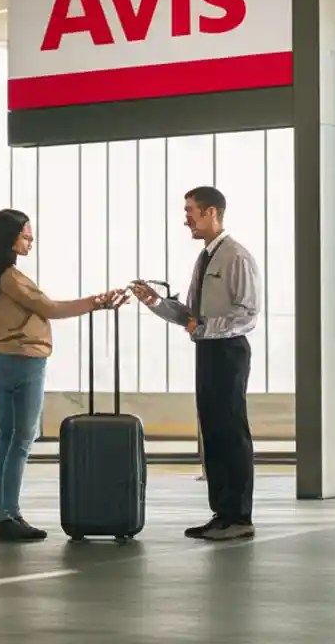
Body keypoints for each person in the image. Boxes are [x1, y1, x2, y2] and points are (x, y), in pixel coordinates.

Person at [0, 208, 128, 542]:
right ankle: (10, 515)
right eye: (26, 235)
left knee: (6, 439)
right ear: (10, 237)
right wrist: (96, 302)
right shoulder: (12, 278)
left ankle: (3, 513)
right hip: (25, 362)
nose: (31, 241)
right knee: (21, 440)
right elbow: (51, 309)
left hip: (4, 360)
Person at [131, 186, 261, 541]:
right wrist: (156, 302)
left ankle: (239, 517)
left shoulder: (236, 257)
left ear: (211, 213)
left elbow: (247, 313)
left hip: (229, 351)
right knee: (213, 431)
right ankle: (221, 513)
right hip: (207, 350)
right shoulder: (205, 258)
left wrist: (203, 327)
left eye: (191, 210)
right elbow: (190, 315)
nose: (185, 217)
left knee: (231, 432)